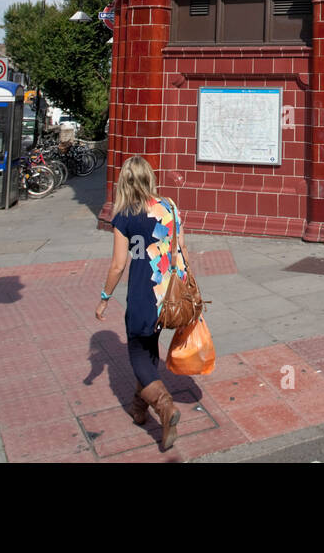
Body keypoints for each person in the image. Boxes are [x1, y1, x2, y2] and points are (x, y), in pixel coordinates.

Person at [95, 155, 185, 451]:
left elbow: (119, 265)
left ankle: (165, 407)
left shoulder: (125, 215)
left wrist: (104, 298)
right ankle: (138, 408)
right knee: (149, 351)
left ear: (125, 181)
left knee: (136, 352)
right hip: (166, 294)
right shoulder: (169, 206)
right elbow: (180, 251)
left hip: (142, 295)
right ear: (149, 177)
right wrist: (183, 288)